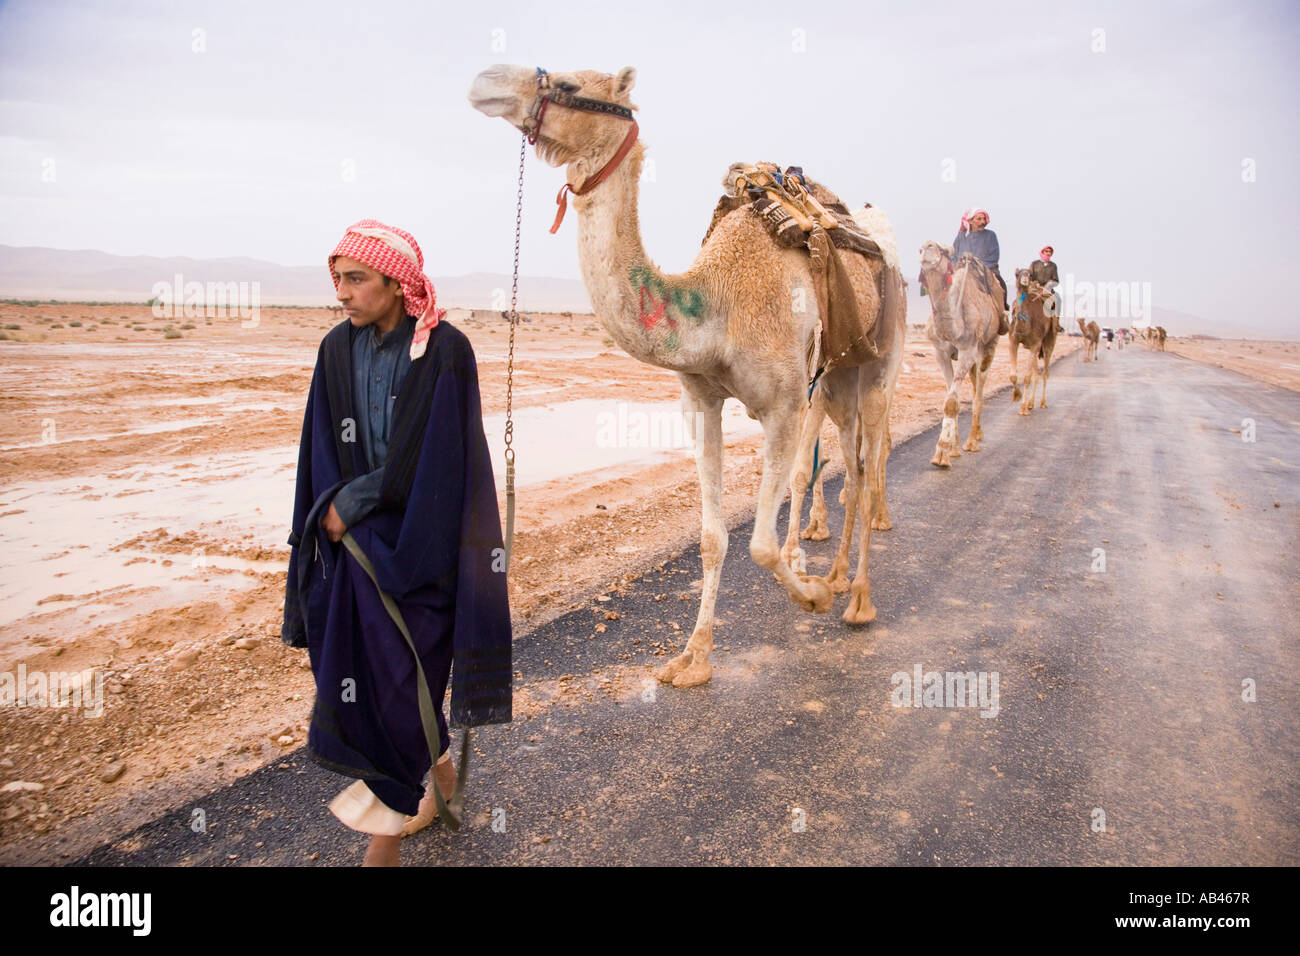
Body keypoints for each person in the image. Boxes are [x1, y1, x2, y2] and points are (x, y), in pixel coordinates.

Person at [281, 219, 513, 867]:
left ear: (395, 282)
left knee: (402, 681)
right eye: (337, 280)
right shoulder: (334, 349)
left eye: (355, 279)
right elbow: (320, 449)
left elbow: (438, 461)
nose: (342, 293)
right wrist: (332, 513)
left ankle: (383, 843)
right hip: (354, 546)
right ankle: (438, 779)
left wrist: (354, 502)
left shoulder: (446, 350)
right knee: (384, 679)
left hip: (427, 544)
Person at [951, 207, 1009, 332]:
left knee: (1000, 284)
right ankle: (945, 317)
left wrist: (978, 264)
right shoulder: (961, 236)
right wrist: (957, 264)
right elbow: (954, 255)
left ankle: (1002, 315)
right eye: (979, 219)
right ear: (971, 221)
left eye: (984, 219)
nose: (982, 221)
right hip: (963, 269)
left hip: (986, 269)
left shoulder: (990, 235)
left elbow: (994, 256)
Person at [1029, 245, 1063, 333]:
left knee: (1057, 299)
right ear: (1042, 252)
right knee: (1021, 298)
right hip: (1034, 288)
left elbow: (1056, 280)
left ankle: (1056, 324)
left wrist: (1048, 285)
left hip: (1047, 290)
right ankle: (1016, 318)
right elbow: (1030, 276)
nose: (1048, 253)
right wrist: (1034, 284)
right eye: (1046, 251)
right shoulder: (1034, 264)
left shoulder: (1053, 266)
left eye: (1050, 252)